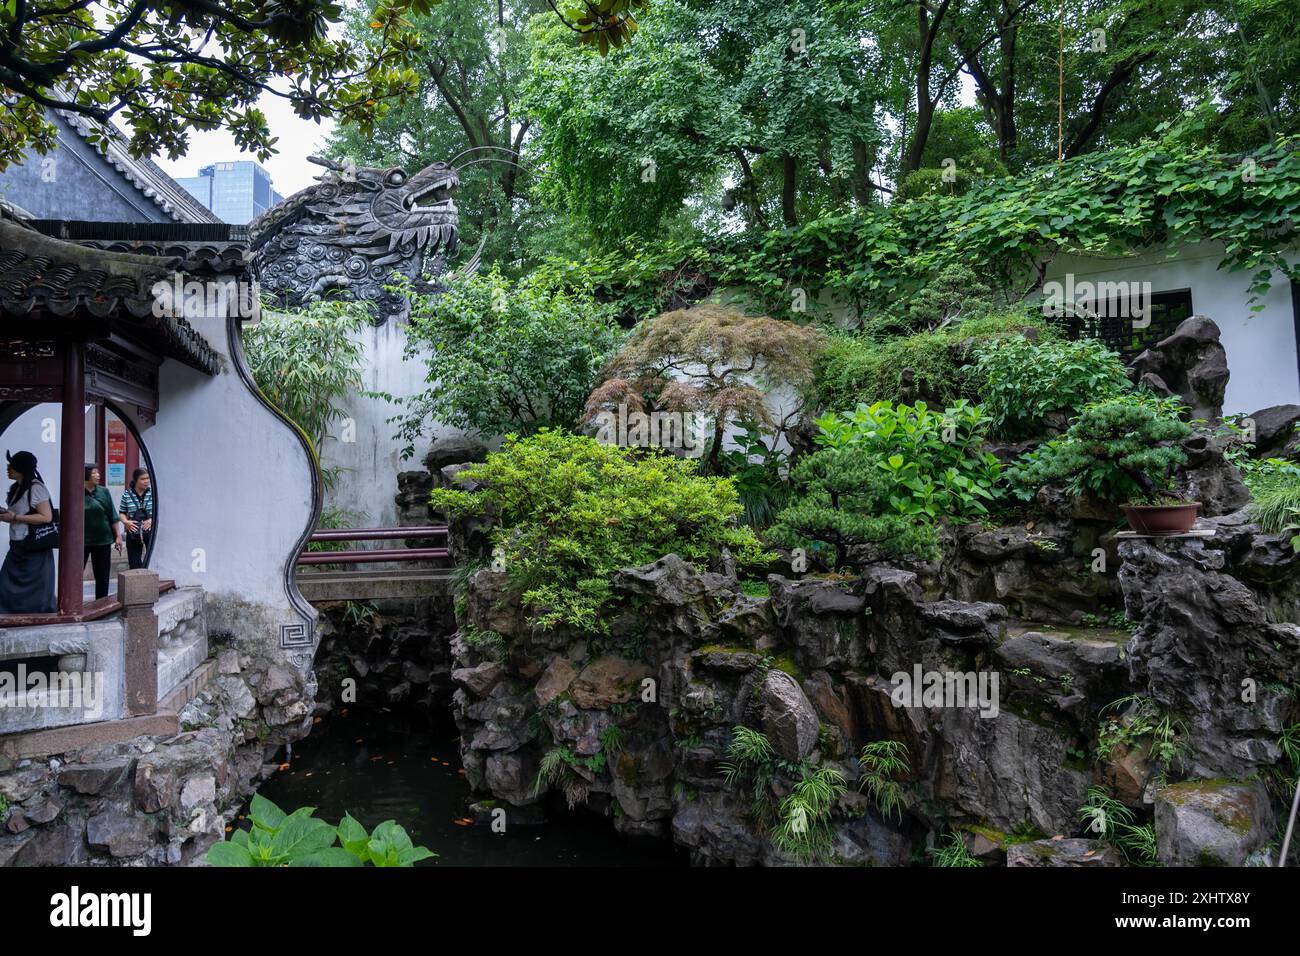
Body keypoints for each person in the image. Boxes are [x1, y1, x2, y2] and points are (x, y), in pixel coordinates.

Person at [0, 450, 55, 614]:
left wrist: (15, 517)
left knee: (36, 591)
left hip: (32, 547)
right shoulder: (17, 488)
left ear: (21, 468)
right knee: (5, 584)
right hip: (17, 546)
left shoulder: (36, 488)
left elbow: (46, 517)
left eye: (12, 465)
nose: (8, 468)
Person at [83, 464, 122, 600]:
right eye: (94, 473)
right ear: (86, 475)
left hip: (103, 539)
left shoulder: (103, 491)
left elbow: (112, 515)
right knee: (75, 573)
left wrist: (118, 536)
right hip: (82, 540)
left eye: (98, 473)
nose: (98, 475)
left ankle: (102, 602)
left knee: (102, 576)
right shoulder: (76, 491)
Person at [118, 467, 154, 570]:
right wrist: (126, 522)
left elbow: (160, 511)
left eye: (147, 478)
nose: (146, 481)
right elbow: (122, 512)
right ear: (136, 480)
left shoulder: (153, 493)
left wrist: (152, 520)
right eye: (143, 479)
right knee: (134, 564)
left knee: (152, 561)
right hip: (133, 530)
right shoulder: (127, 494)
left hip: (151, 531)